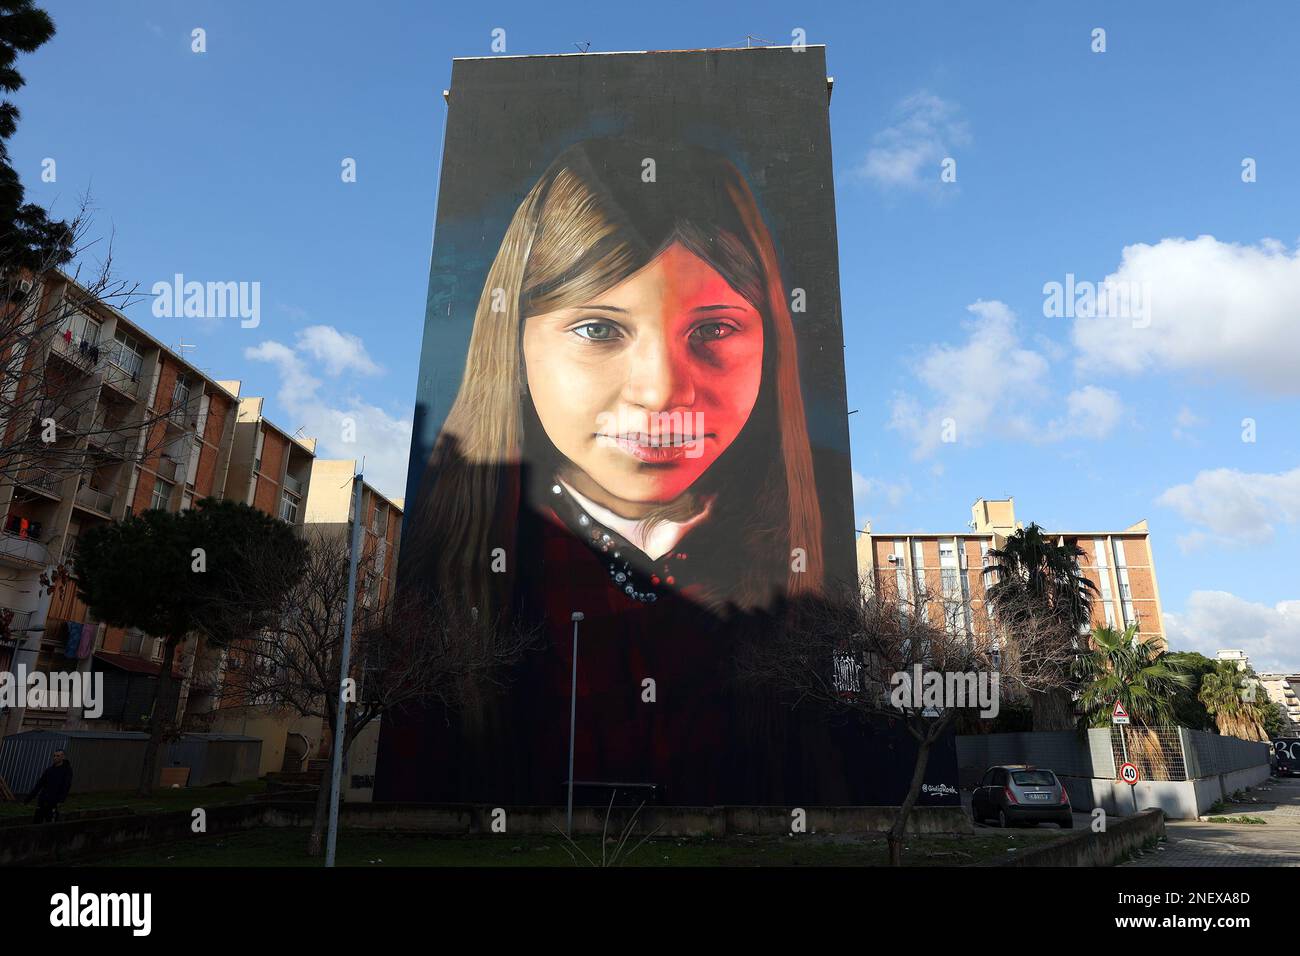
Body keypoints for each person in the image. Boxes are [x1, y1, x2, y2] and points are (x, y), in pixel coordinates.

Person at [389, 137, 840, 805]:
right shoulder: (453, 571)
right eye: (599, 329)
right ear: (513, 345)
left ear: (773, 342)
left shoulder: (810, 559)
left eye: (714, 330)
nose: (660, 392)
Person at [26, 749, 73, 823]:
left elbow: (66, 786)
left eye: (58, 756)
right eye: (54, 756)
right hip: (43, 799)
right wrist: (29, 798)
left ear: (63, 757)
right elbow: (39, 784)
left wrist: (61, 800)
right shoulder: (49, 770)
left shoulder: (67, 771)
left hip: (54, 800)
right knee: (37, 820)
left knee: (50, 821)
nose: (55, 757)